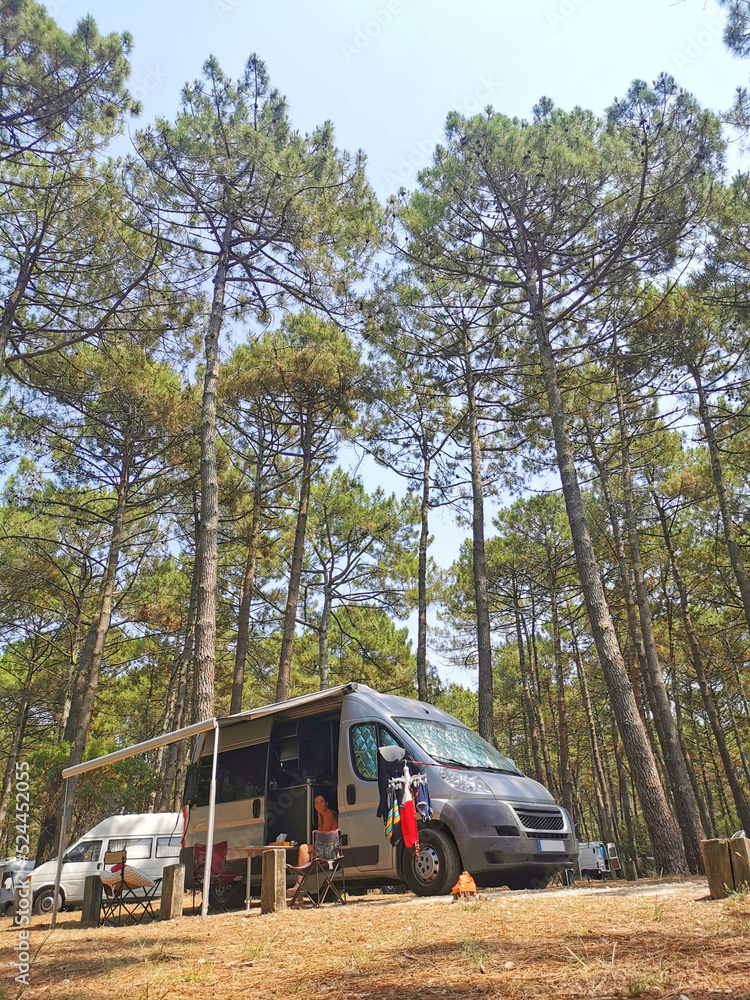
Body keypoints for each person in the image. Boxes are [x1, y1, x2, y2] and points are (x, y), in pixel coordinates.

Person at [296, 793, 338, 868]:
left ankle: (301, 878)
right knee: (309, 855)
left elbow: (322, 836)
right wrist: (320, 820)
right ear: (314, 806)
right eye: (317, 803)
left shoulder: (330, 814)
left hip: (330, 849)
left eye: (321, 802)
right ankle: (302, 878)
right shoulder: (322, 816)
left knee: (303, 848)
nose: (319, 805)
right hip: (324, 847)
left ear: (326, 803)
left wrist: (320, 822)